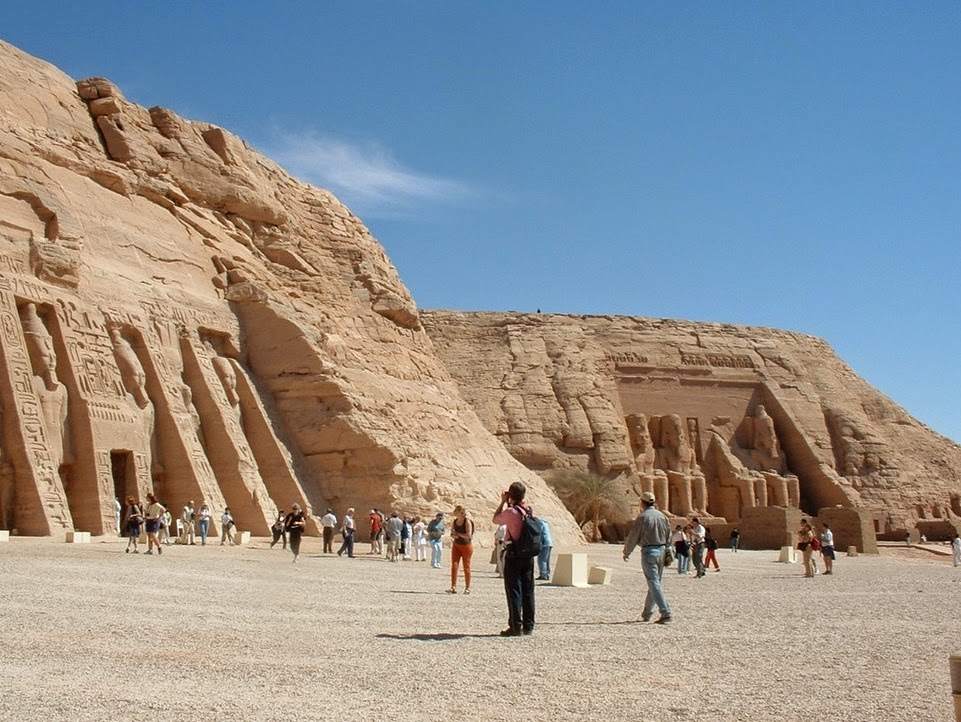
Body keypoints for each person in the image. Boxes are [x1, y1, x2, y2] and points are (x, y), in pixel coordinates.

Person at [492, 482, 536, 636]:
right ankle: (528, 626)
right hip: (528, 554)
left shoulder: (511, 511)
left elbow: (496, 519)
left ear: (511, 495)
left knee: (514, 590)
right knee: (528, 590)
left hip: (514, 553)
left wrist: (503, 502)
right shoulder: (529, 510)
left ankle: (515, 626)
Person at [623, 491, 672, 624]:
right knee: (655, 582)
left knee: (653, 582)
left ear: (642, 503)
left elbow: (634, 536)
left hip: (649, 552)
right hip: (662, 551)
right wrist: (668, 550)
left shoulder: (643, 517)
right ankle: (647, 613)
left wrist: (627, 552)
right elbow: (669, 535)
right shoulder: (662, 516)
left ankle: (666, 612)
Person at [448, 505, 474, 594]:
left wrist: (458, 534)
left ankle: (467, 587)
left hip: (466, 546)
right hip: (456, 545)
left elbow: (468, 535)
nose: (455, 512)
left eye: (456, 511)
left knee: (466, 566)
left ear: (460, 512)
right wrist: (453, 535)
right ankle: (453, 586)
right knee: (454, 566)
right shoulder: (455, 521)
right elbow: (451, 533)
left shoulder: (467, 521)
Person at [536, 517, 553, 581]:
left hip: (544, 543)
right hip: (549, 543)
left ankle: (543, 574)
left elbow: (539, 533)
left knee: (542, 559)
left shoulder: (541, 523)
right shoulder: (546, 524)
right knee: (547, 559)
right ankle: (547, 573)